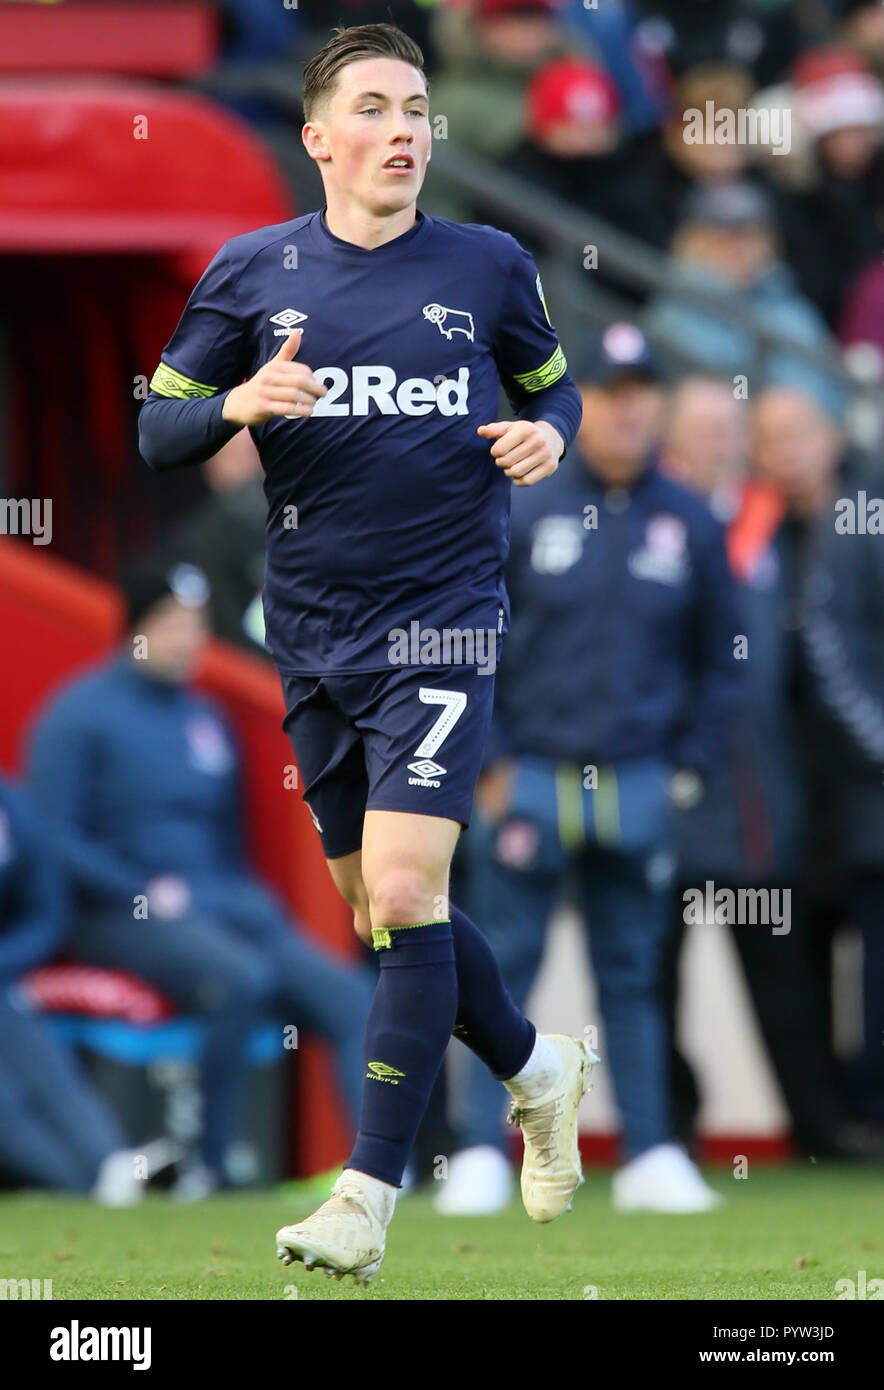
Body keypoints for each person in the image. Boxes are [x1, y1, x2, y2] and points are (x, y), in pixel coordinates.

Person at [138, 23, 590, 1283]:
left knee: (401, 895)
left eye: (420, 109)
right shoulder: (250, 271)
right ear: (318, 137)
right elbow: (154, 430)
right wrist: (232, 401)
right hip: (315, 634)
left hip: (444, 619)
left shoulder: (492, 264)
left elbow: (549, 387)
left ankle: (364, 1194)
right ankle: (537, 1067)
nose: (405, 129)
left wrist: (545, 436)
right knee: (383, 913)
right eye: (378, 108)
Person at [438, 325, 738, 1214]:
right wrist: (487, 763)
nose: (627, 407)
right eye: (611, 390)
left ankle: (648, 1152)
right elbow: (471, 638)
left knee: (635, 974)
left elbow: (726, 658)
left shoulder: (687, 519)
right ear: (583, 402)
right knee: (500, 970)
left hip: (639, 779)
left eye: (643, 390)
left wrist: (689, 766)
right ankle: (479, 1154)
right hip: (531, 773)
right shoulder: (524, 503)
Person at [27, 557, 374, 1199]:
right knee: (239, 980)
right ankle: (210, 1170)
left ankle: (376, 1174)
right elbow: (51, 841)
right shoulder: (78, 714)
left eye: (196, 624)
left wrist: (248, 901)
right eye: (170, 623)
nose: (186, 638)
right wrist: (139, 890)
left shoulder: (206, 717)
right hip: (120, 914)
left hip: (220, 905)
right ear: (134, 627)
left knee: (354, 996)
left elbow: (225, 841)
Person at [0, 774, 151, 1203]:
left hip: (3, 985)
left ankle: (109, 1162)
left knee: (33, 1050)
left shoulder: (14, 809)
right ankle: (86, 1179)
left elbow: (45, 914)